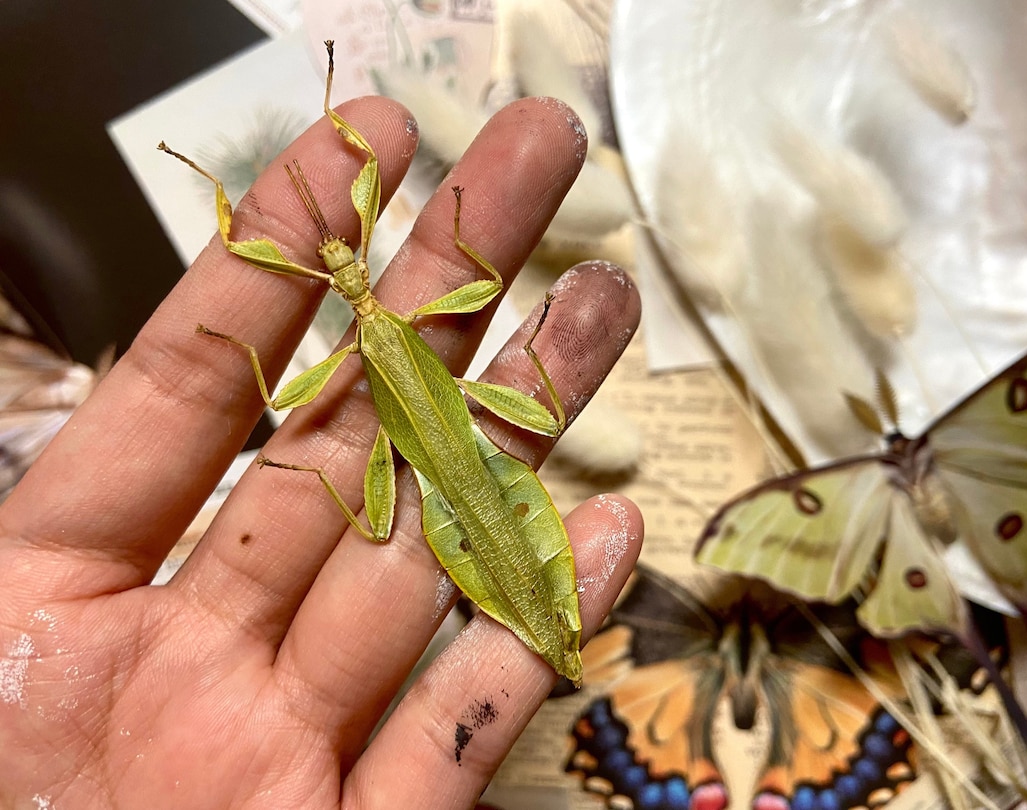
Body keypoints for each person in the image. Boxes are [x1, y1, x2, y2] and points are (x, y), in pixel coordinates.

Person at [0, 96, 643, 808]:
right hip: (457, 480)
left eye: (348, 266)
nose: (346, 269)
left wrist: (295, 439)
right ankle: (549, 635)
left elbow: (278, 395)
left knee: (385, 519)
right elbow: (470, 290)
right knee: (395, 512)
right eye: (343, 270)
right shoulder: (389, 316)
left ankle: (554, 632)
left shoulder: (372, 327)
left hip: (468, 467)